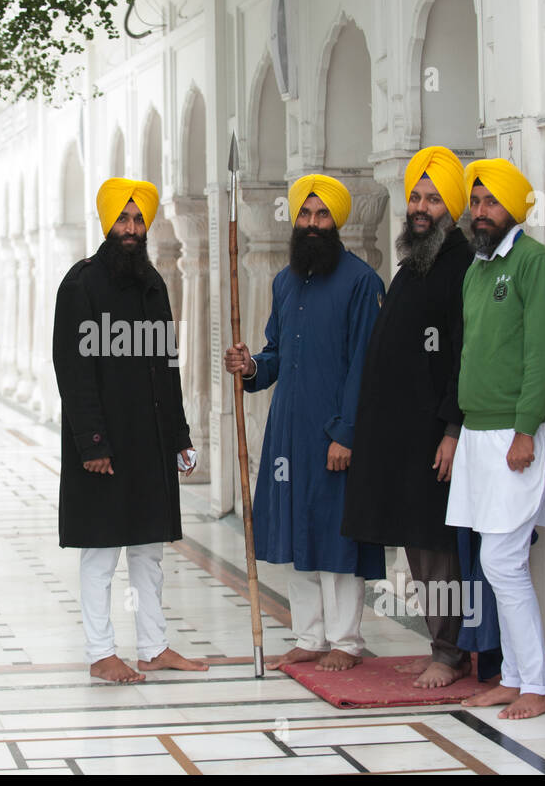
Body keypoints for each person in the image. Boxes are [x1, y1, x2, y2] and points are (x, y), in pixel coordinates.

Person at [342, 146, 500, 688]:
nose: (420, 206)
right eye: (415, 196)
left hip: (436, 434)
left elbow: (465, 353)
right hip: (402, 436)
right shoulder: (415, 265)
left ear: (451, 208)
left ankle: (449, 651)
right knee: (416, 540)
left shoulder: (462, 268)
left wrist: (453, 429)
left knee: (437, 547)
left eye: (433, 198)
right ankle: (442, 641)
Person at [224, 174, 385, 672]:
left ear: (337, 220)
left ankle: (346, 641)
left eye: (321, 215)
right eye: (304, 215)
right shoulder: (284, 281)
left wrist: (346, 433)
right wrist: (251, 367)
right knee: (298, 537)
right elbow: (276, 354)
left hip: (333, 433)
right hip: (288, 434)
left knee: (336, 537)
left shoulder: (362, 282)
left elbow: (366, 365)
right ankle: (310, 636)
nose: (312, 224)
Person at [53, 177, 206, 684]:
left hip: (150, 442)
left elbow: (167, 365)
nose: (132, 229)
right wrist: (92, 443)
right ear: (106, 222)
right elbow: (72, 371)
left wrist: (180, 436)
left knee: (148, 548)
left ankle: (154, 646)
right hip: (104, 445)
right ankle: (101, 652)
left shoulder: (152, 282)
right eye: (123, 219)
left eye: (139, 220)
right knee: (101, 551)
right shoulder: (81, 285)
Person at [447, 158, 545, 720]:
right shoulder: (477, 268)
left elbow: (542, 355)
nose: (480, 212)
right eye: (475, 203)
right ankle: (515, 676)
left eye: (490, 203)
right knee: (495, 559)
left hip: (514, 437)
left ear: (513, 208)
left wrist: (525, 429)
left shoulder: (537, 263)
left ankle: (538, 686)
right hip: (479, 434)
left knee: (503, 561)